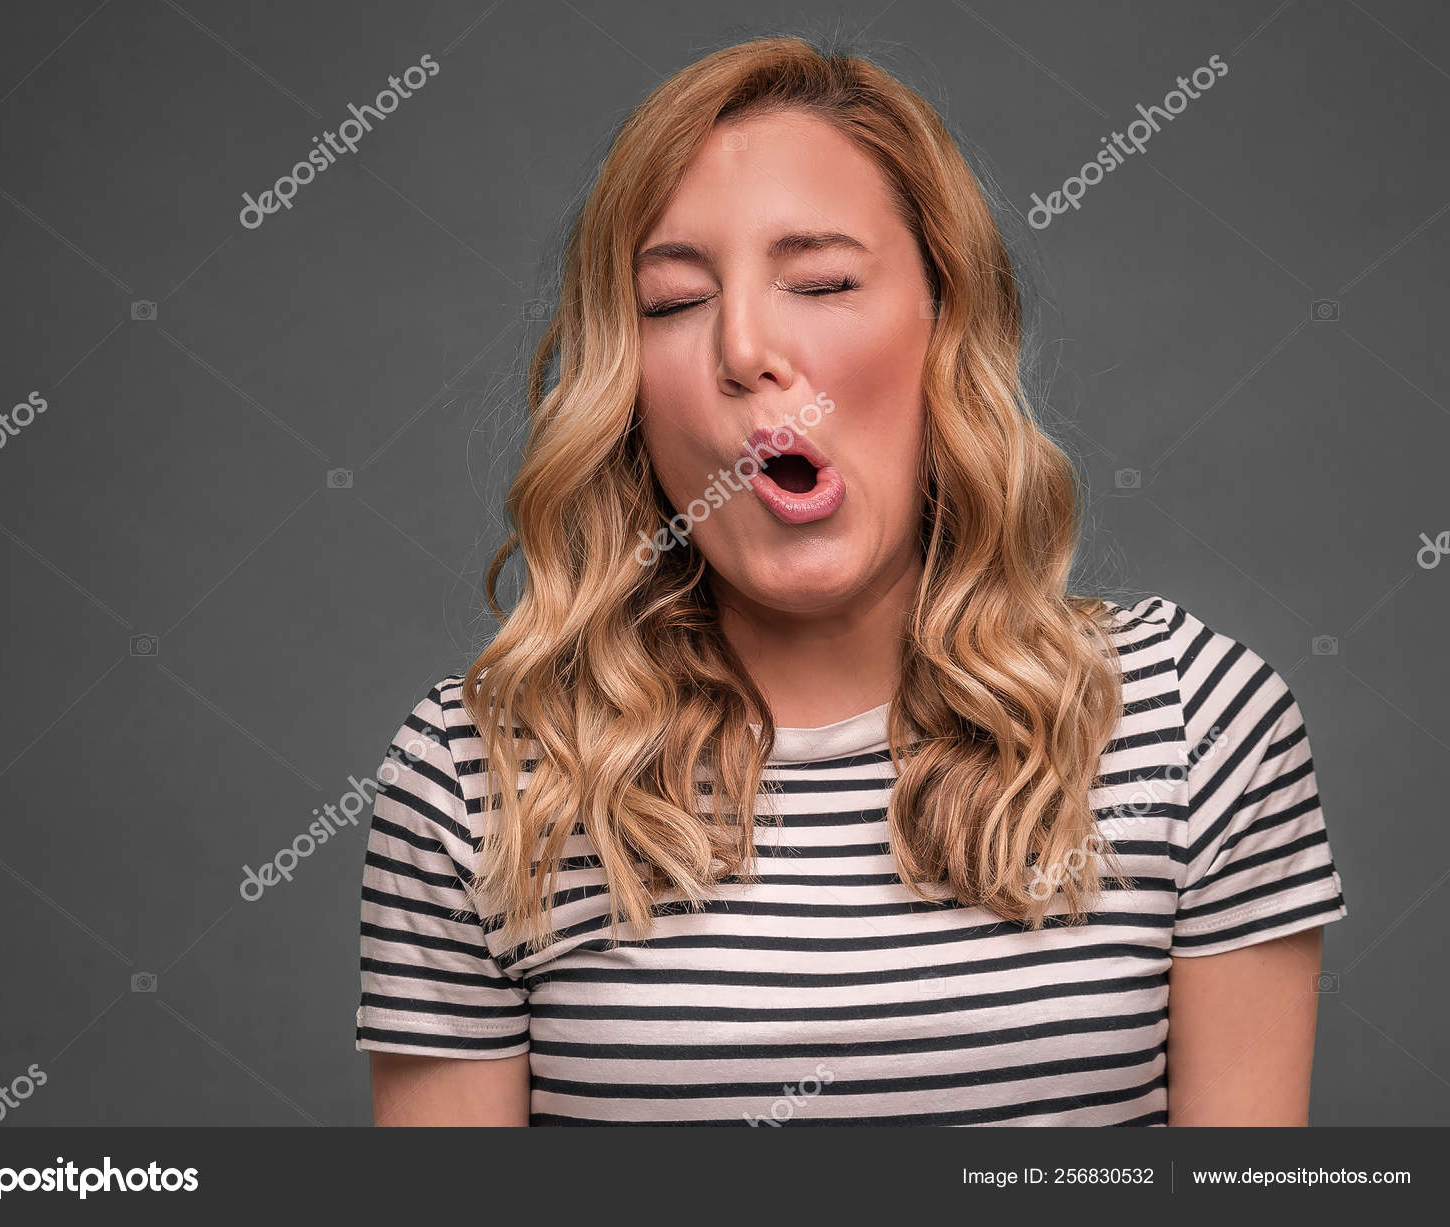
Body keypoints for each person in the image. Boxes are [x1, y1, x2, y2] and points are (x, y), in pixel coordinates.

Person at [356, 35, 1345, 1126]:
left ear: (945, 322)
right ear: (624, 389)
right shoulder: (477, 770)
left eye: (822, 281)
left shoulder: (1192, 722)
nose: (743, 346)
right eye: (674, 302)